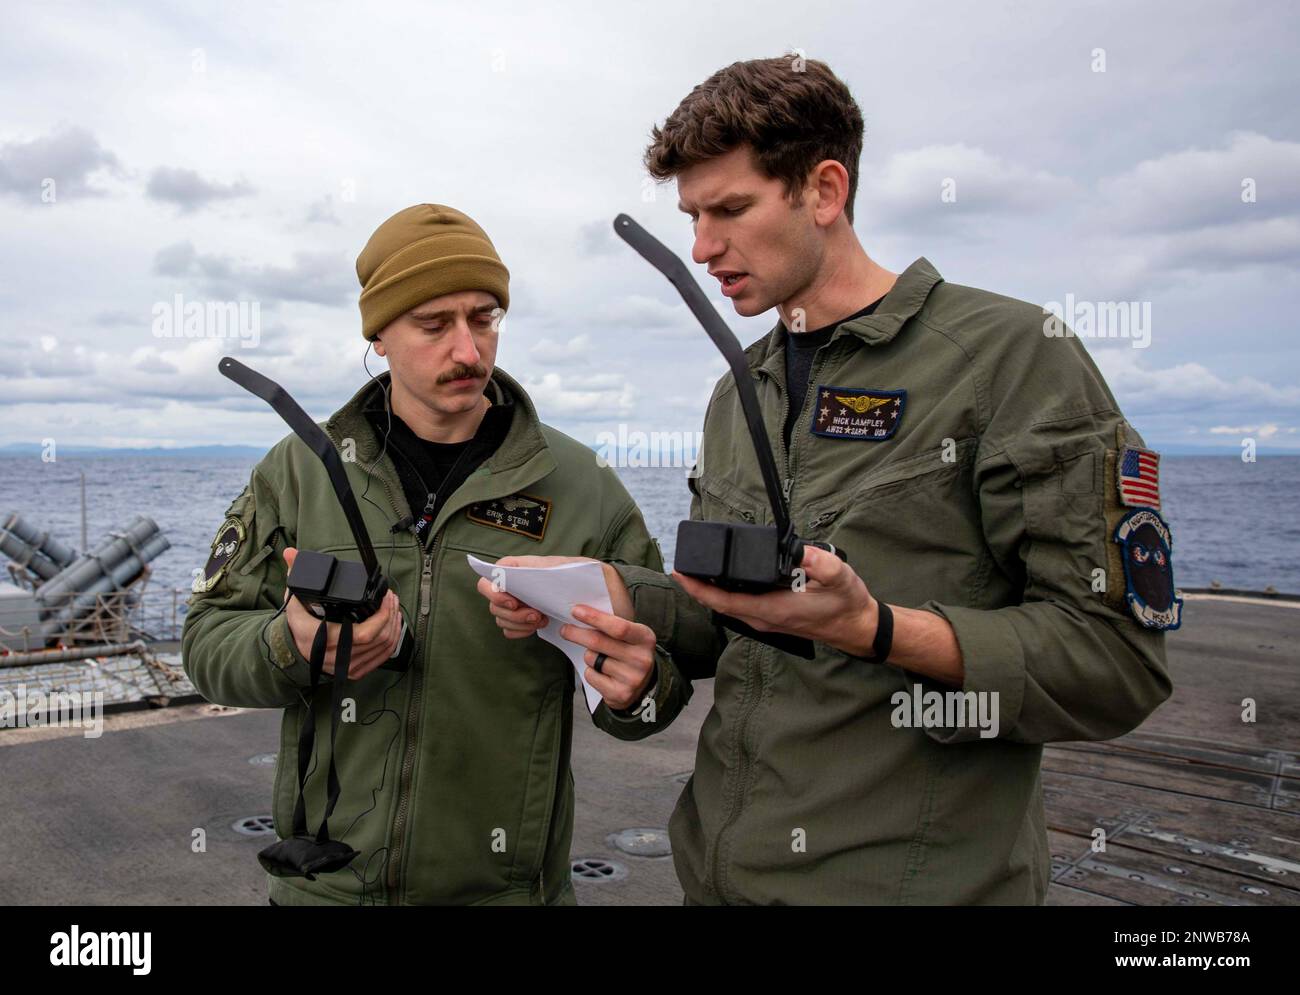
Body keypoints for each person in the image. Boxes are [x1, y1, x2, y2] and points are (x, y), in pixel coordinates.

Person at [477, 57, 1175, 905]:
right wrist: (606, 600)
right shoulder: (739, 393)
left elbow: (1116, 662)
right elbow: (727, 622)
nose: (702, 248)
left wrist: (878, 628)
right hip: (718, 878)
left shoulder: (1012, 359)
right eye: (693, 215)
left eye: (730, 209)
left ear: (824, 190)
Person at [182, 204, 677, 905]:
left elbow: (673, 661)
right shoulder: (298, 471)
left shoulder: (579, 484)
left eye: (484, 318)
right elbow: (204, 643)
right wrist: (289, 645)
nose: (469, 351)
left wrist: (636, 688)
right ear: (378, 335)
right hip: (327, 891)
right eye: (434, 324)